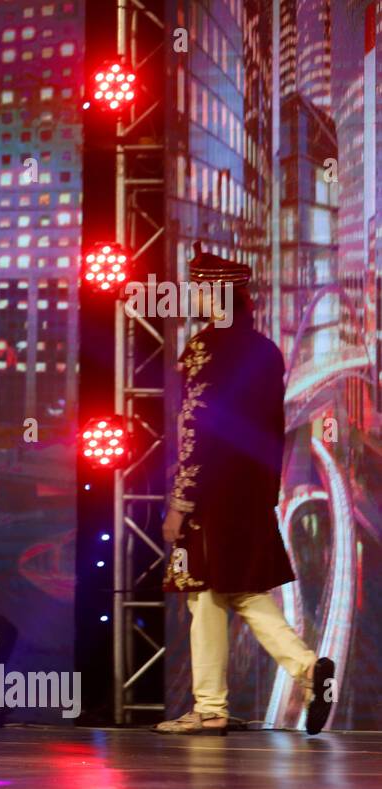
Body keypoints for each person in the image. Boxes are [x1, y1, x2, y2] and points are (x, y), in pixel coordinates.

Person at [156, 244, 335, 736]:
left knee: (205, 592)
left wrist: (180, 501)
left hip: (210, 496)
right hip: (250, 494)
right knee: (235, 591)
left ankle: (211, 707)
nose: (193, 296)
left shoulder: (204, 348)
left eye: (199, 288)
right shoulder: (266, 350)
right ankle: (306, 670)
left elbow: (196, 428)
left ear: (217, 294)